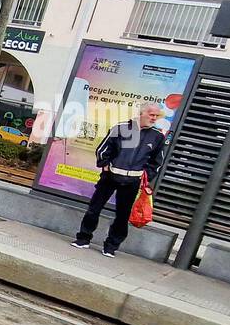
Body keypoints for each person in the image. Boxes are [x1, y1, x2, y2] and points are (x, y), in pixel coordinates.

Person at [71, 103, 167, 256]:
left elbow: (157, 162)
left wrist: (145, 175)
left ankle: (111, 247)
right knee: (94, 209)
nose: (154, 118)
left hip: (132, 182)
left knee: (122, 216)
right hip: (110, 177)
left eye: (156, 115)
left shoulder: (157, 136)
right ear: (141, 113)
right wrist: (104, 164)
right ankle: (83, 239)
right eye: (151, 114)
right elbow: (103, 148)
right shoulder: (121, 127)